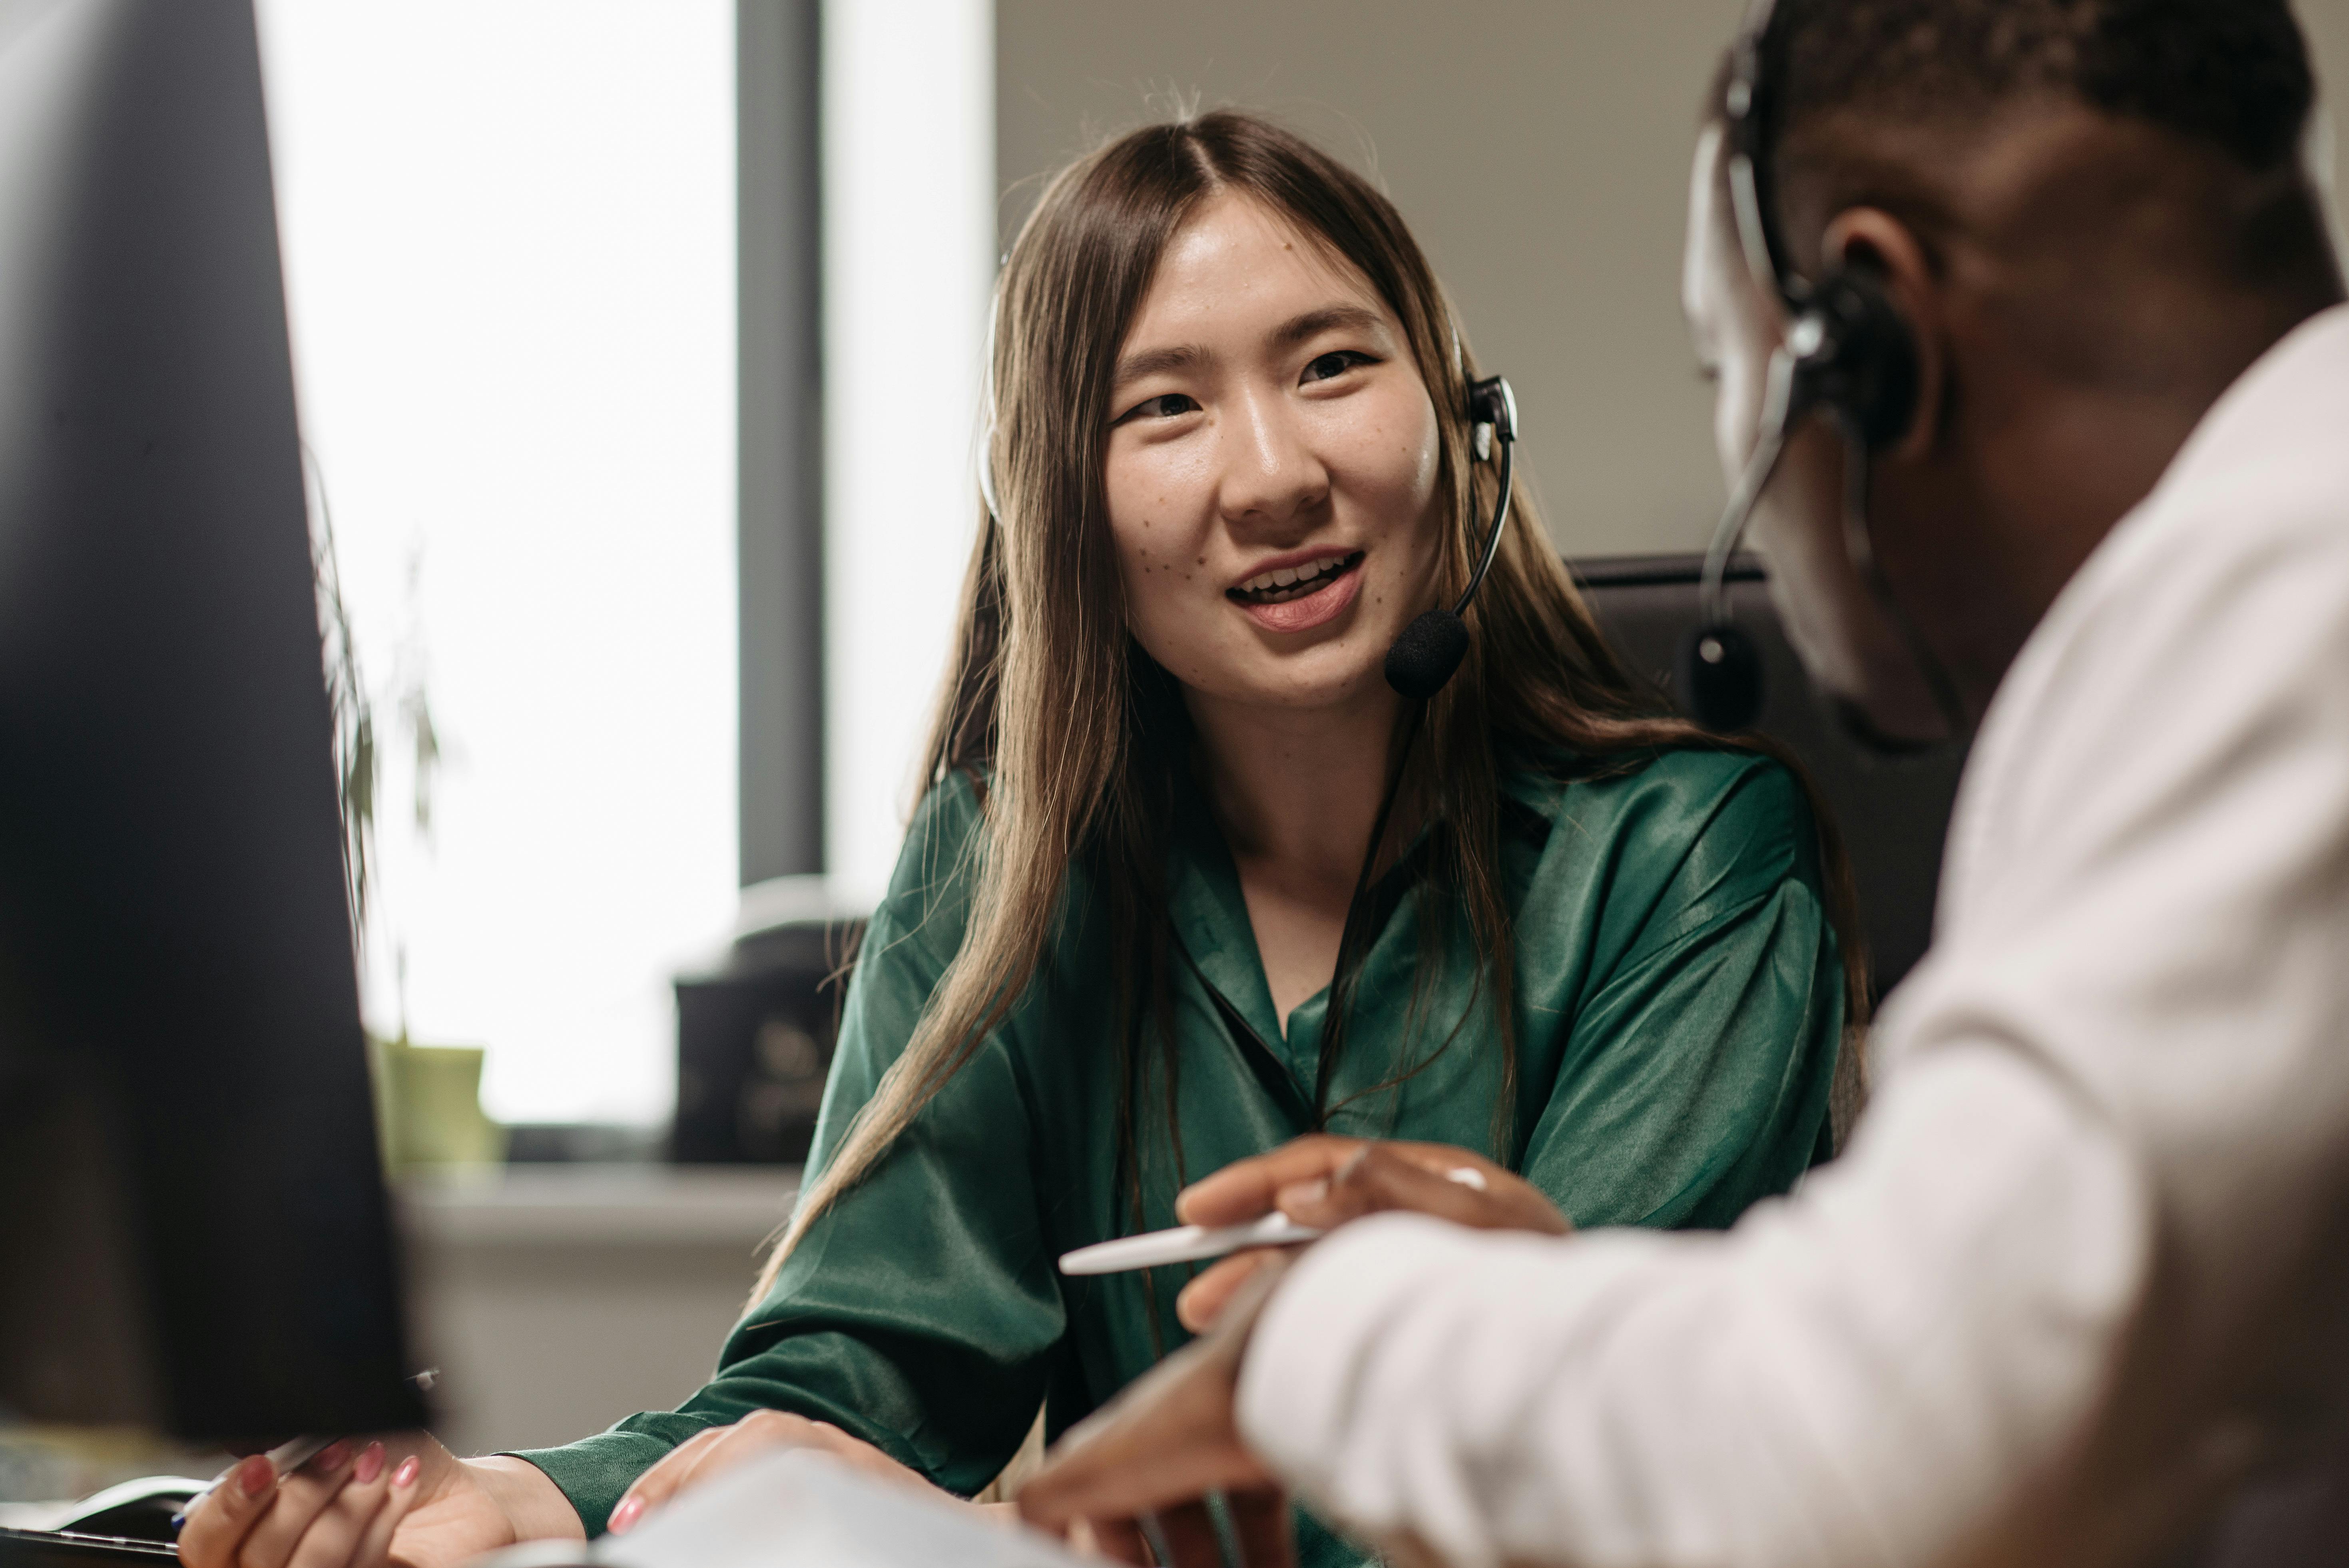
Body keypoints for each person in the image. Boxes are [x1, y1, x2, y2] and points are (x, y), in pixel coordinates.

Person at [175, 111, 1864, 1568]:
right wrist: (521, 1494)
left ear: (1455, 422)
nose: (1274, 473)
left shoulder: (1697, 859)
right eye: (1165, 409)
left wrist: (1011, 1535)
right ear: (1063, 511)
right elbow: (852, 1387)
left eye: (1334, 365)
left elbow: (1571, 1446)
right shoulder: (1006, 876)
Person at [1015, 2, 2349, 1565]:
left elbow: (1868, 1455)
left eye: (1727, 368)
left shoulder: (2285, 600)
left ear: (1871, 343)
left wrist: (1323, 1336)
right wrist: (1546, 1311)